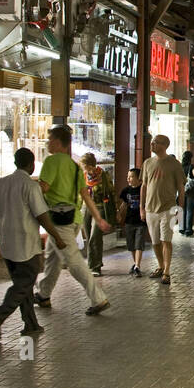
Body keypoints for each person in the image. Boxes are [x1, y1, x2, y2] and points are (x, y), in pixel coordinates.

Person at [0, 148, 65, 339]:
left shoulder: (0, 183)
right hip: (26, 243)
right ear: (31, 164)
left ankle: (31, 324)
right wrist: (57, 237)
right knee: (24, 284)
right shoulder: (30, 186)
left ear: (15, 162)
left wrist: (9, 213)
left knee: (23, 285)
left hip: (5, 241)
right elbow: (42, 215)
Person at [35, 125, 112, 316]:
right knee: (53, 257)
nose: (47, 143)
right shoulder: (74, 167)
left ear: (58, 142)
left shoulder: (51, 162)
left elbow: (43, 187)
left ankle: (98, 298)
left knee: (73, 261)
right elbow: (85, 195)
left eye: (50, 139)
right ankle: (43, 294)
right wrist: (98, 218)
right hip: (73, 218)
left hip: (59, 221)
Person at [142, 134, 186, 285]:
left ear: (164, 145)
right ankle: (160, 266)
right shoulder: (147, 163)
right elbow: (144, 186)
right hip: (150, 209)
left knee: (166, 240)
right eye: (152, 142)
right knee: (155, 241)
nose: (152, 144)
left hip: (168, 208)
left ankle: (167, 271)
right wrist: (142, 208)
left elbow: (181, 187)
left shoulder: (174, 164)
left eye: (156, 142)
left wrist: (179, 208)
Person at [80, 152, 115, 276]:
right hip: (86, 208)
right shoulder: (83, 176)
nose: (82, 167)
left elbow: (111, 193)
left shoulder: (103, 176)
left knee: (95, 236)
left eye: (83, 165)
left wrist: (115, 211)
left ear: (90, 165)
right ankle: (91, 264)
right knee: (88, 235)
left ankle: (96, 266)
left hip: (100, 207)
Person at [118, 168, 149, 275]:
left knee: (139, 243)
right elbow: (124, 204)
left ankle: (137, 265)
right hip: (129, 221)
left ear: (139, 179)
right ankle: (135, 263)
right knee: (131, 245)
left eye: (131, 177)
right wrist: (119, 213)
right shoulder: (126, 191)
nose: (128, 179)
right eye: (128, 177)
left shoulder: (144, 190)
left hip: (141, 221)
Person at [180, 150, 194, 236]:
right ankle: (188, 229)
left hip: (182, 190)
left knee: (184, 209)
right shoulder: (192, 167)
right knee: (190, 210)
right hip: (191, 192)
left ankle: (182, 228)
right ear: (191, 158)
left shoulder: (180, 167)